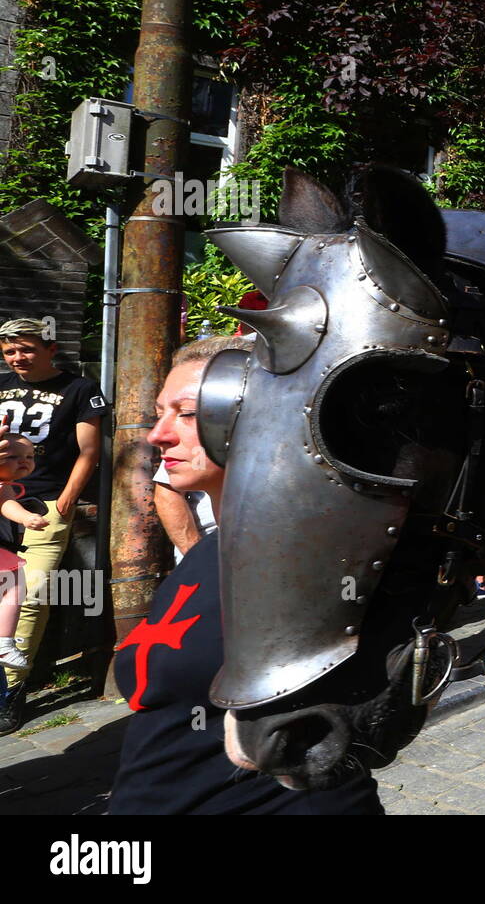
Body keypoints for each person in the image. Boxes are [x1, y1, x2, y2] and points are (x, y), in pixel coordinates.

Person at [108, 336, 382, 814]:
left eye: (187, 414)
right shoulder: (205, 553)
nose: (159, 434)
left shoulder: (314, 563)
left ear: (255, 418)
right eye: (160, 412)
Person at [0, 317, 108, 733]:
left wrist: (65, 499)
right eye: (10, 351)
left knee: (30, 593)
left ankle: (10, 690)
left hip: (44, 503)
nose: (17, 358)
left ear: (49, 349)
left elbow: (89, 451)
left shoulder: (79, 389)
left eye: (26, 349)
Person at [0, 430, 48, 668]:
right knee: (15, 585)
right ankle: (4, 644)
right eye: (14, 457)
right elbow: (8, 505)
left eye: (30, 456)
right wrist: (26, 517)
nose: (25, 462)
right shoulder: (3, 487)